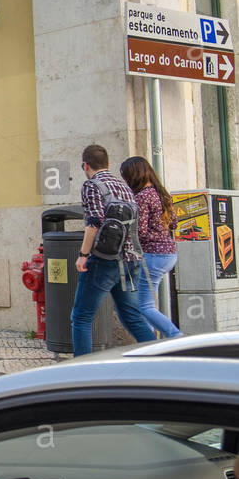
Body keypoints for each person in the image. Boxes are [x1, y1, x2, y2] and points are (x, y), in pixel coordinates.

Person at [70, 144, 156, 356]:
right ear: (108, 164)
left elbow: (94, 222)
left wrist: (83, 255)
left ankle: (81, 371)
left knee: (82, 316)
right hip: (131, 260)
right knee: (132, 316)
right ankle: (160, 357)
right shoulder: (124, 186)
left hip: (105, 261)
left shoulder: (92, 186)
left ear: (85, 165)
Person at [119, 156, 182, 339]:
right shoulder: (161, 193)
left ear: (133, 175)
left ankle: (176, 337)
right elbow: (174, 224)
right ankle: (148, 344)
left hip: (152, 255)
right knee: (146, 303)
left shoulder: (142, 197)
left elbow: (140, 232)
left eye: (126, 176)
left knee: (143, 306)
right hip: (168, 254)